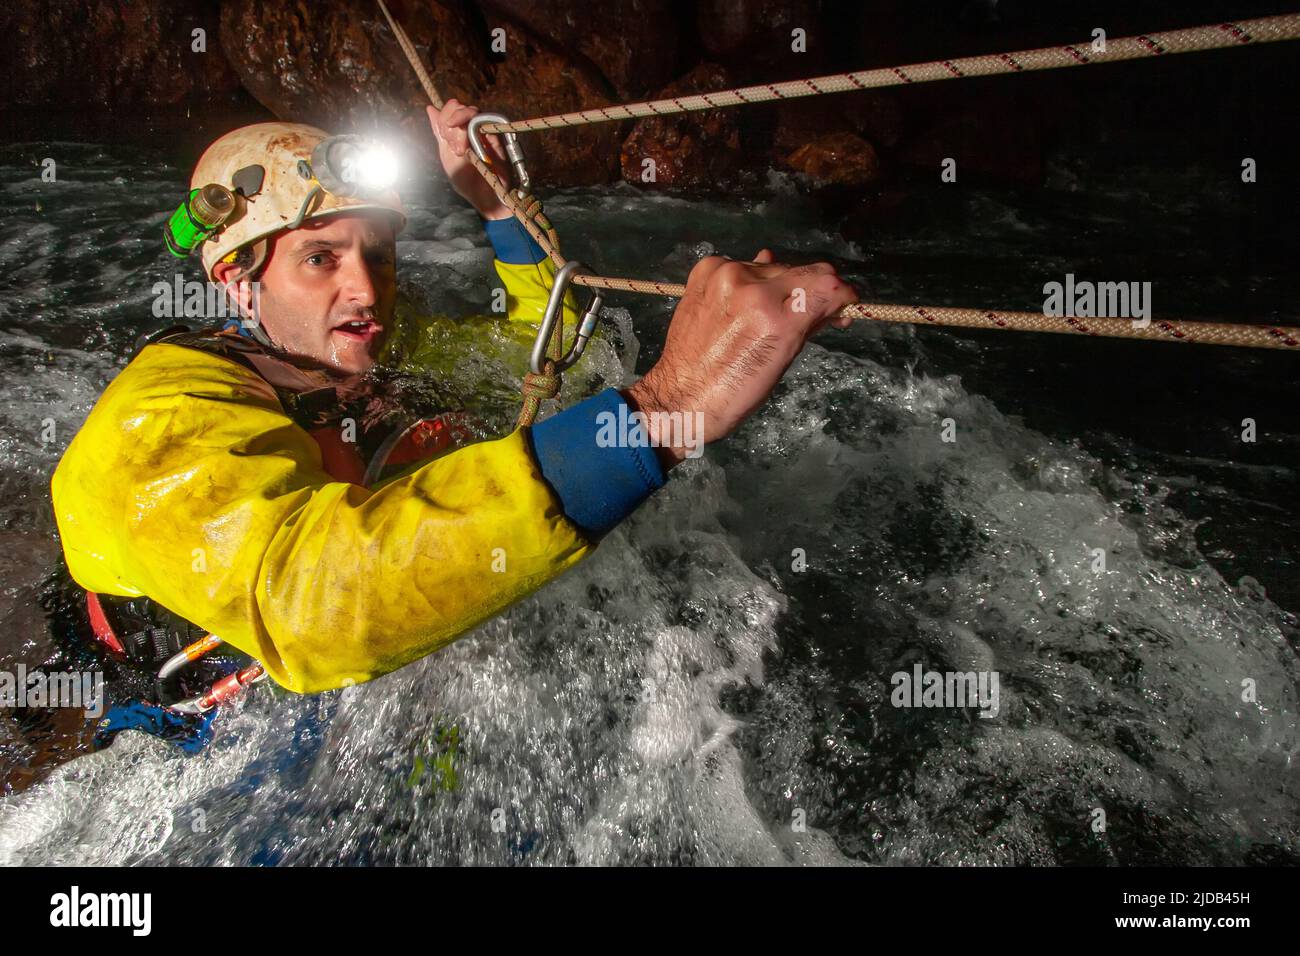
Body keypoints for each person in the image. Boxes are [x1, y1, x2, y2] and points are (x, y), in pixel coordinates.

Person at [49, 100, 858, 713]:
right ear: (236, 277)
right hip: (179, 713)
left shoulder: (379, 350)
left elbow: (563, 356)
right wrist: (668, 407)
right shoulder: (155, 422)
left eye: (375, 252)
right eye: (320, 259)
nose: (365, 290)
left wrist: (499, 208)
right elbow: (311, 604)